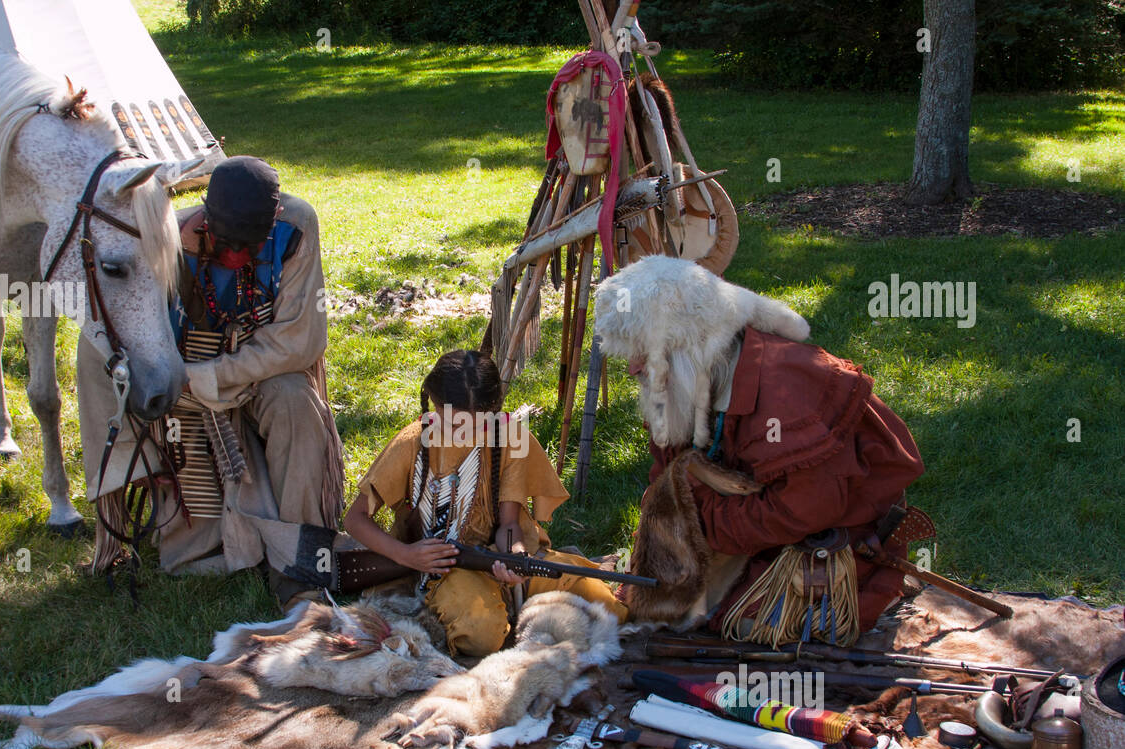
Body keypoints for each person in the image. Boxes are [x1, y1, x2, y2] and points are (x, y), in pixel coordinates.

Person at [594, 255, 925, 640]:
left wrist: (698, 523)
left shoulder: (787, 393)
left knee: (749, 620)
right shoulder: (689, 382)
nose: (634, 368)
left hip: (827, 534)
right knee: (662, 599)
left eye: (646, 353)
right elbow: (666, 469)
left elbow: (804, 508)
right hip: (746, 527)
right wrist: (675, 514)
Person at [78, 156, 343, 609]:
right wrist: (177, 385)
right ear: (204, 219)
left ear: (273, 219)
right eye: (226, 245)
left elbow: (300, 340)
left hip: (255, 379)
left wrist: (209, 376)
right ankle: (226, 540)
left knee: (296, 400)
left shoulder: (296, 226)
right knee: (189, 555)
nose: (238, 257)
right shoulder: (162, 244)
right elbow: (110, 339)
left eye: (251, 246)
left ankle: (299, 559)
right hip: (184, 399)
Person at [342, 349, 628, 657]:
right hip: (444, 568)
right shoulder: (414, 442)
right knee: (483, 635)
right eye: (453, 424)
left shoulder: (511, 437)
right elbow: (355, 518)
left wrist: (516, 556)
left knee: (608, 608)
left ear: (494, 410)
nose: (465, 433)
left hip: (500, 558)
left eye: (477, 425)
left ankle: (520, 598)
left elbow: (508, 524)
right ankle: (491, 608)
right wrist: (407, 556)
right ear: (435, 405)